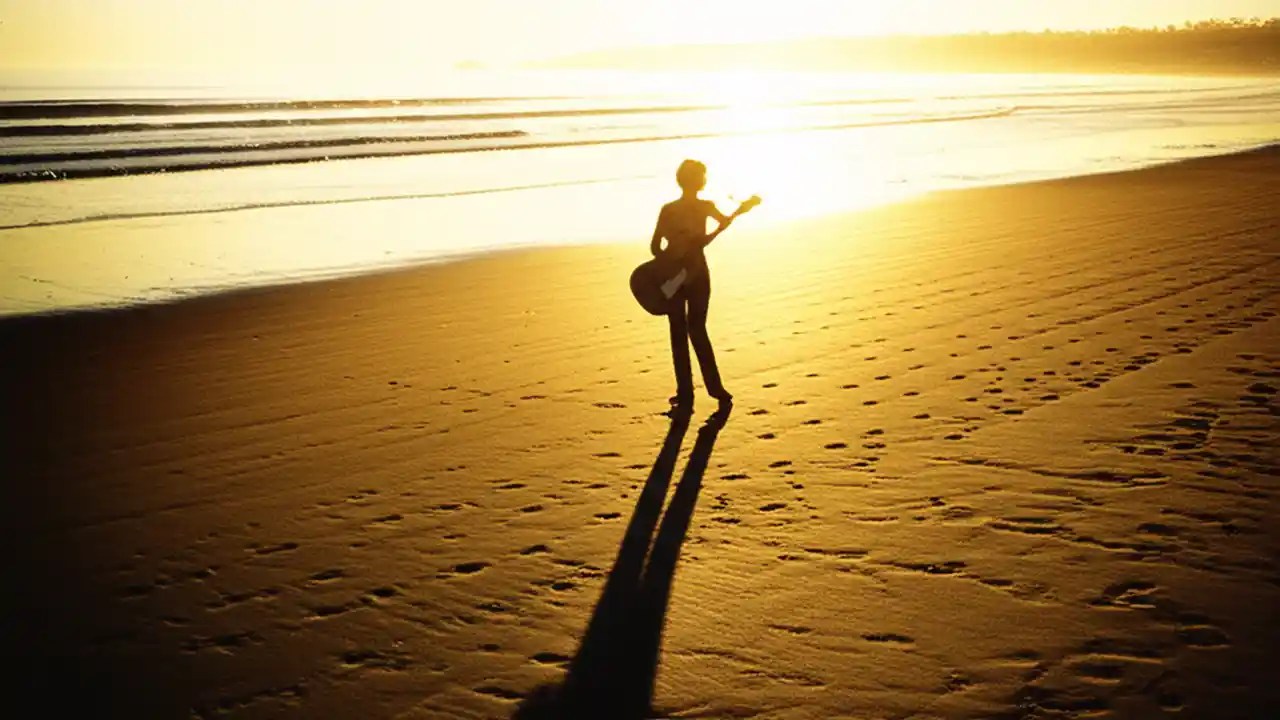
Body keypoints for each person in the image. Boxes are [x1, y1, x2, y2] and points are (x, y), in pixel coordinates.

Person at [650, 159, 734, 409]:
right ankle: (716, 389)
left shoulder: (668, 209)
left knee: (678, 332)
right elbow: (722, 224)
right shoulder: (706, 206)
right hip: (697, 274)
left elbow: (655, 247)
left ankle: (685, 395)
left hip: (673, 277)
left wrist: (670, 258)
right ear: (701, 181)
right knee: (698, 329)